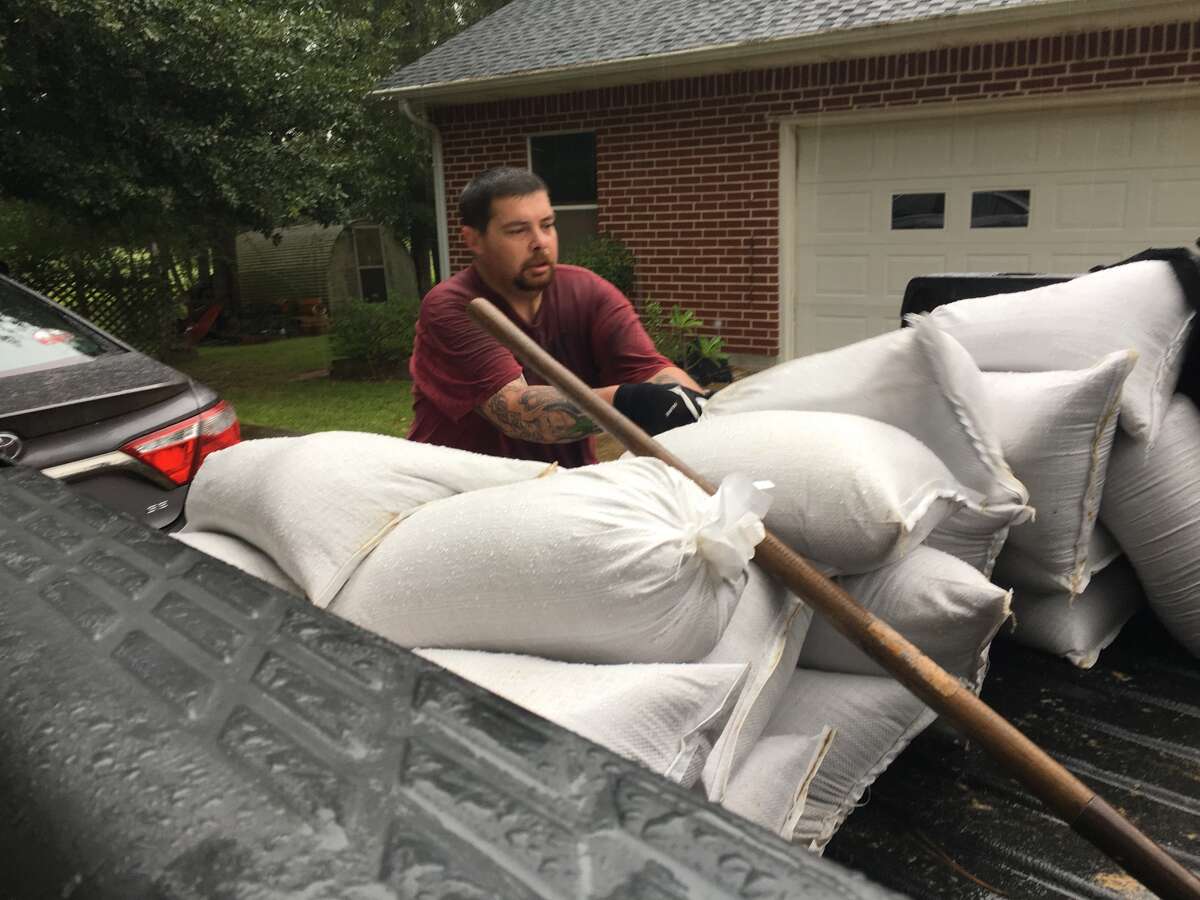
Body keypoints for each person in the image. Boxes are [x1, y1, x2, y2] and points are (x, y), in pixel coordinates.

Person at [408, 167, 708, 466]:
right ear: (474, 240)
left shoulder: (588, 292)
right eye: (517, 230)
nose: (540, 242)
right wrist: (634, 402)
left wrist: (692, 401)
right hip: (460, 492)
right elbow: (516, 411)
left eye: (547, 225)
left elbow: (651, 370)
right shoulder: (453, 306)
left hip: (559, 488)